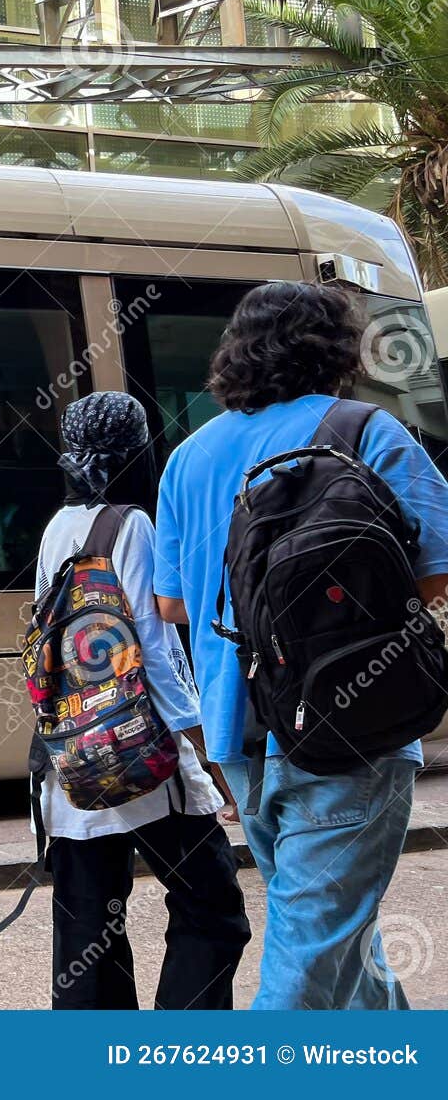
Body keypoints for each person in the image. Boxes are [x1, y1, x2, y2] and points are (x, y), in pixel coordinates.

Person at [154, 281, 448, 1010]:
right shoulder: (365, 431)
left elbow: (170, 604)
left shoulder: (189, 455)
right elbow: (437, 574)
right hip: (350, 725)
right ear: (337, 351)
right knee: (314, 952)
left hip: (236, 731)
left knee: (338, 932)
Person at [32, 392, 249, 1010]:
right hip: (143, 758)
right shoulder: (132, 524)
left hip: (72, 758)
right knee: (213, 910)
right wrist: (209, 753)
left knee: (87, 934)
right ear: (137, 452)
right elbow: (152, 651)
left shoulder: (58, 527)